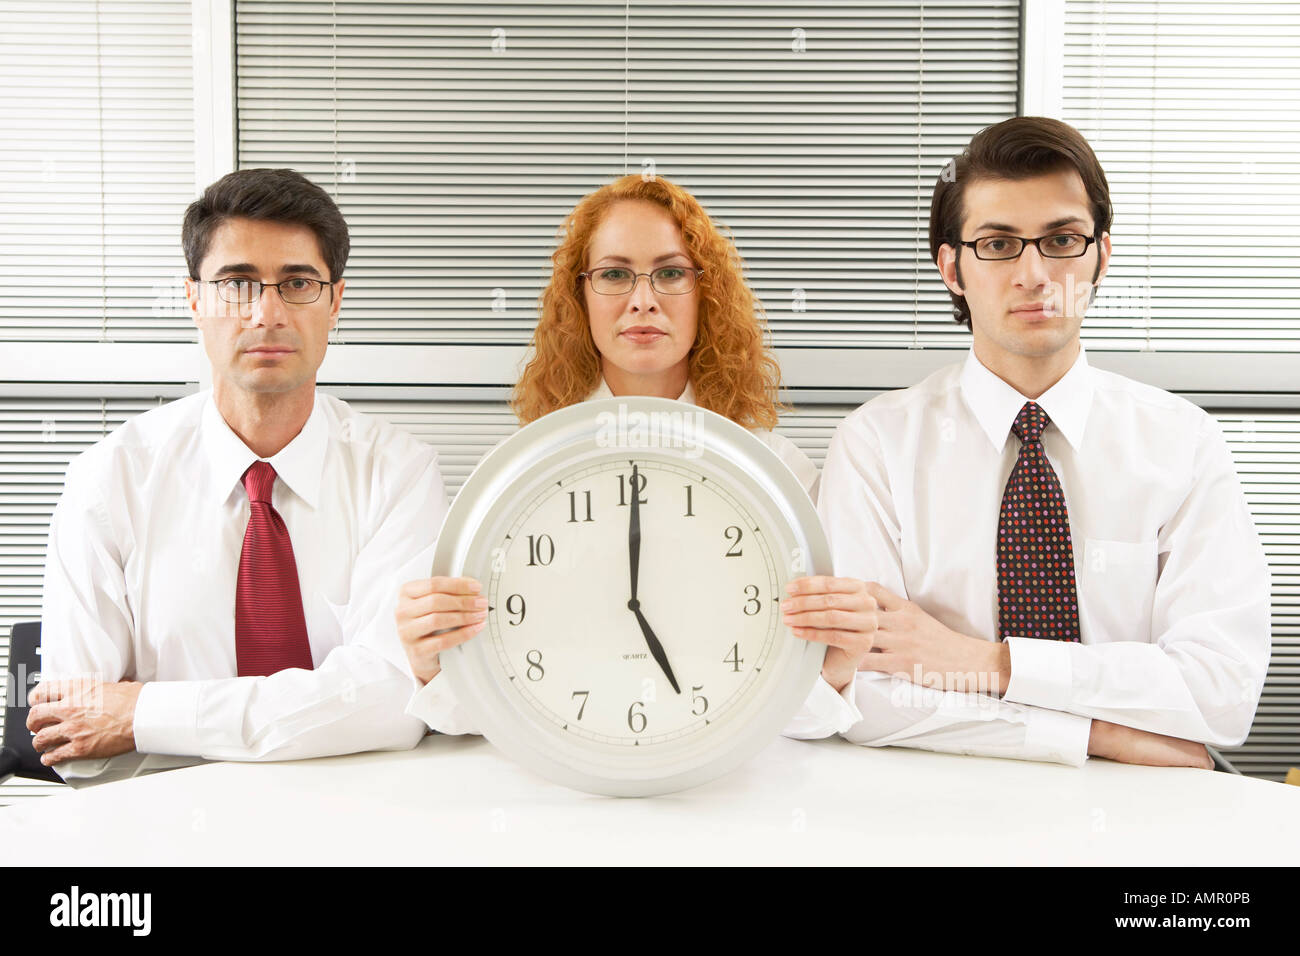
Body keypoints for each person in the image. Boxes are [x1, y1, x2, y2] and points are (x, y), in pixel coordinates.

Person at [787, 116, 1271, 767]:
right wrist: (1096, 735)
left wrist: (985, 663)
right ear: (951, 268)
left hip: (1146, 806)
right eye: (998, 244)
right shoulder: (876, 445)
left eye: (1063, 239)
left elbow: (1219, 694)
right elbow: (864, 693)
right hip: (941, 804)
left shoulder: (1183, 445)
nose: (1036, 274)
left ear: (1102, 254)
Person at [395, 174, 876, 729]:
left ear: (706, 293)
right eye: (615, 274)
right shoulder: (514, 475)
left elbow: (804, 724)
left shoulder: (778, 475)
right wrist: (432, 663)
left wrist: (833, 670)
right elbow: (465, 719)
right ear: (580, 296)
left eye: (670, 274)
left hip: (729, 802)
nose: (643, 301)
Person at [27, 168, 445, 785]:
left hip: (355, 814)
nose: (268, 313)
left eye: (298, 283)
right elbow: (77, 737)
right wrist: (329, 706)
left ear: (335, 302)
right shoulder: (107, 480)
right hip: (158, 829)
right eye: (237, 283)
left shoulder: (398, 472)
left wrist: (143, 710)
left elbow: (395, 703)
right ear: (194, 299)